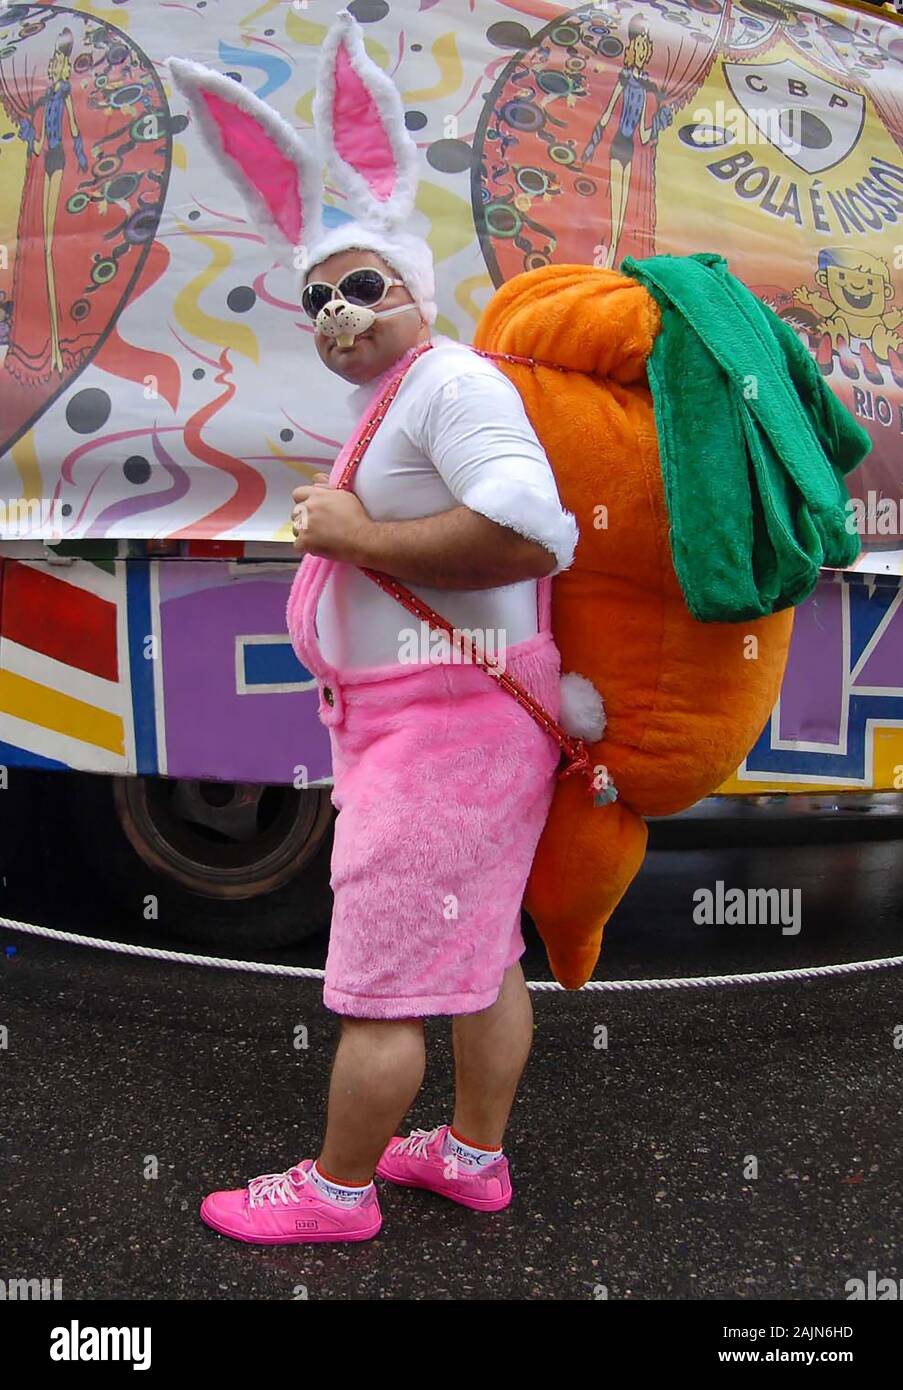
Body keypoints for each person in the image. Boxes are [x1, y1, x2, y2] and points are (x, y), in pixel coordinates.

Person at [169, 9, 577, 1245]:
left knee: (385, 984)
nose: (338, 312)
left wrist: (355, 539)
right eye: (319, 298)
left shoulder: (453, 382)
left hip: (445, 735)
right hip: (453, 726)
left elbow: (528, 531)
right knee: (483, 958)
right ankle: (470, 1155)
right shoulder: (412, 389)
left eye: (362, 286)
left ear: (415, 288)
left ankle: (340, 1194)